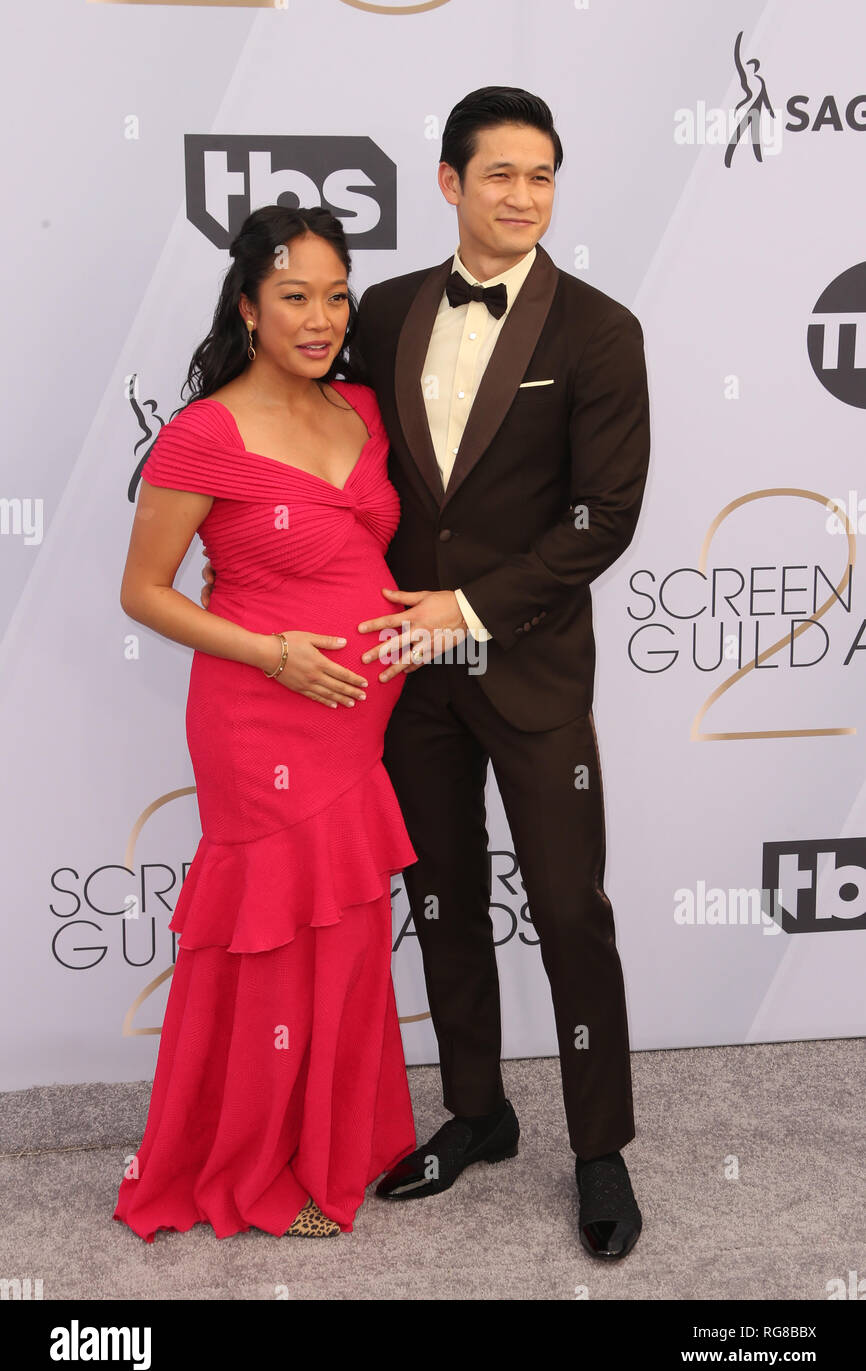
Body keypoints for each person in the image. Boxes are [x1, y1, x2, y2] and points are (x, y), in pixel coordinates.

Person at [205, 87, 651, 1260]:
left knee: (566, 907)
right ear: (449, 183)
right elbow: (315, 450)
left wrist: (469, 604)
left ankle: (598, 1148)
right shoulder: (387, 310)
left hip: (529, 665)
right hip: (402, 678)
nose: (520, 197)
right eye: (497, 174)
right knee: (441, 903)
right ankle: (475, 1112)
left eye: (540, 176)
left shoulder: (601, 331)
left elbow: (602, 518)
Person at [114, 205, 418, 1242]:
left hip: (354, 730)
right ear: (248, 308)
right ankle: (249, 1161)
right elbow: (145, 592)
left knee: (339, 926)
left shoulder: (366, 413)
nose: (321, 315)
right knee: (270, 934)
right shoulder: (205, 432)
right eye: (295, 295)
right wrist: (274, 653)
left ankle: (333, 1138)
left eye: (336, 295)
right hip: (259, 717)